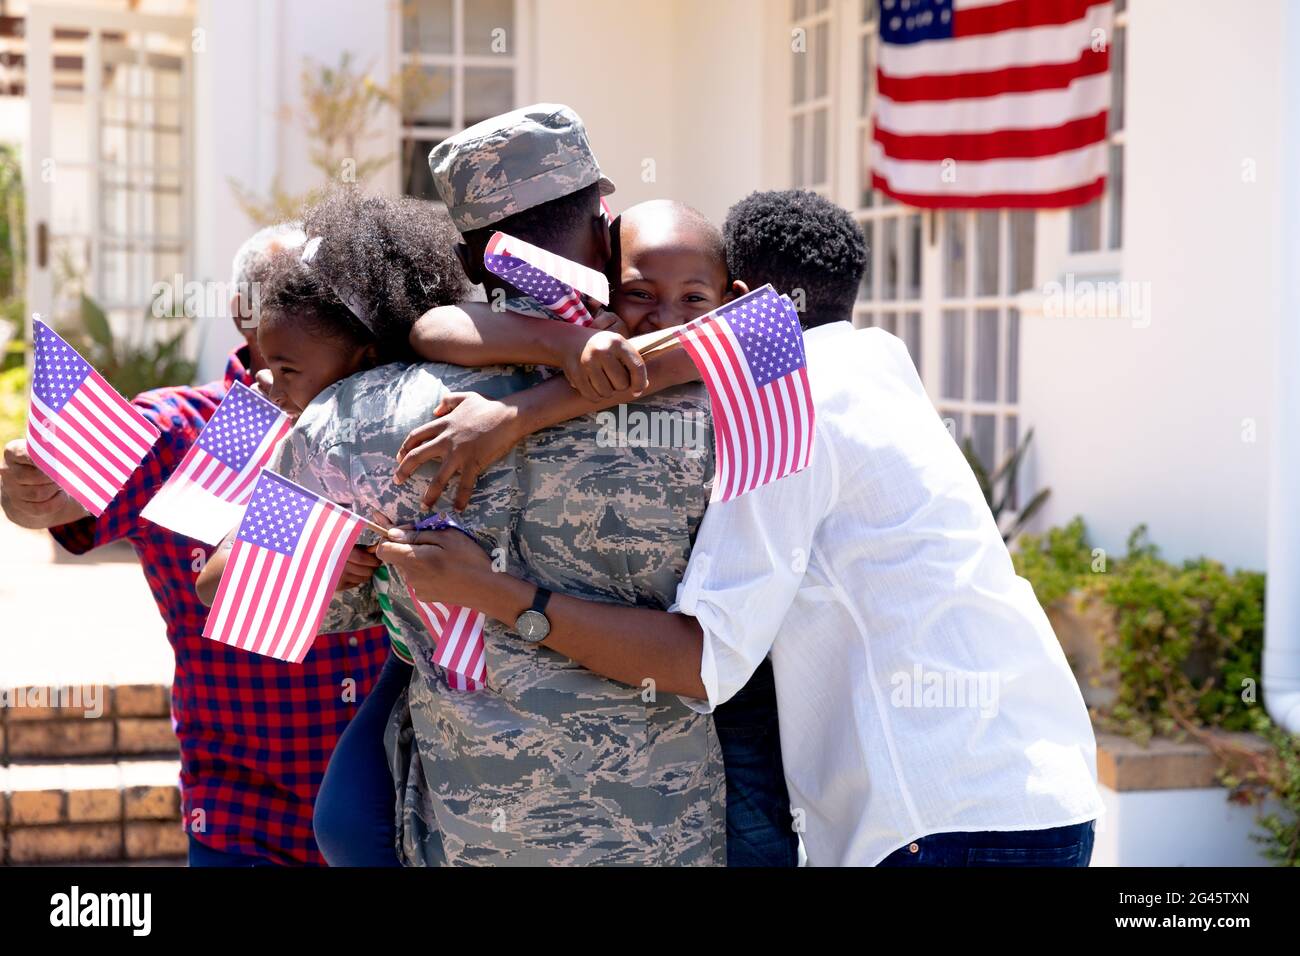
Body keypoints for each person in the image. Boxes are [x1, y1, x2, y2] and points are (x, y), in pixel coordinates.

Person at [377, 188, 1105, 866]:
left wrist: (495, 592)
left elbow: (702, 662)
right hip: (1040, 783)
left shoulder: (787, 413)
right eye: (639, 295)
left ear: (741, 305)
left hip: (945, 817)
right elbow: (659, 361)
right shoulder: (875, 360)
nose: (659, 322)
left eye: (698, 298)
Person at [272, 105, 726, 865]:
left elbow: (269, 596)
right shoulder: (710, 400)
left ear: (468, 254)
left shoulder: (346, 419)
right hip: (660, 828)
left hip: (471, 831)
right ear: (603, 221)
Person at [0, 225, 390, 867]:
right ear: (244, 317)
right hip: (246, 821)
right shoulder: (190, 433)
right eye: (288, 297)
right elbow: (57, 494)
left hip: (388, 812)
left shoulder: (389, 414)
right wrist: (32, 487)